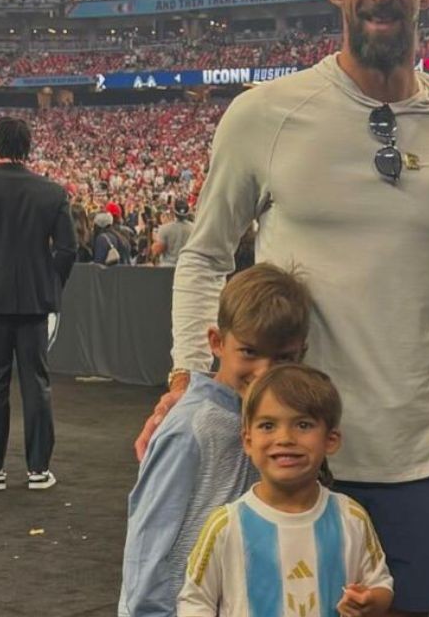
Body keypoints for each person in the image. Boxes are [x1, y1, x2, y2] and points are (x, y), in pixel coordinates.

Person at [141, 0, 429, 613]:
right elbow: (203, 256)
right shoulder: (266, 113)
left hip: (417, 457)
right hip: (286, 450)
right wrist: (189, 378)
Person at [119, 264, 310, 617]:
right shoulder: (191, 426)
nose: (264, 373)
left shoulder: (274, 425)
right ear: (216, 342)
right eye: (250, 352)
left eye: (283, 358)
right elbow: (148, 542)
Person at [177, 364, 394, 617]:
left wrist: (370, 601)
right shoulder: (225, 525)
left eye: (303, 425)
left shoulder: (351, 517)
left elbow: (380, 584)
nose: (285, 438)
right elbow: (194, 601)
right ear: (248, 441)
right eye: (268, 426)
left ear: (330, 440)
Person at [0, 117, 77, 491]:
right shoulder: (52, 192)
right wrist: (50, 283)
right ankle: (38, 470)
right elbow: (68, 248)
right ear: (28, 147)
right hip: (35, 301)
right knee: (36, 383)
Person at [152, 198, 193, 268]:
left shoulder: (165, 228)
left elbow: (158, 250)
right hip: (187, 267)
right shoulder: (194, 228)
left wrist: (154, 241)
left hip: (167, 267)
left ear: (174, 212)